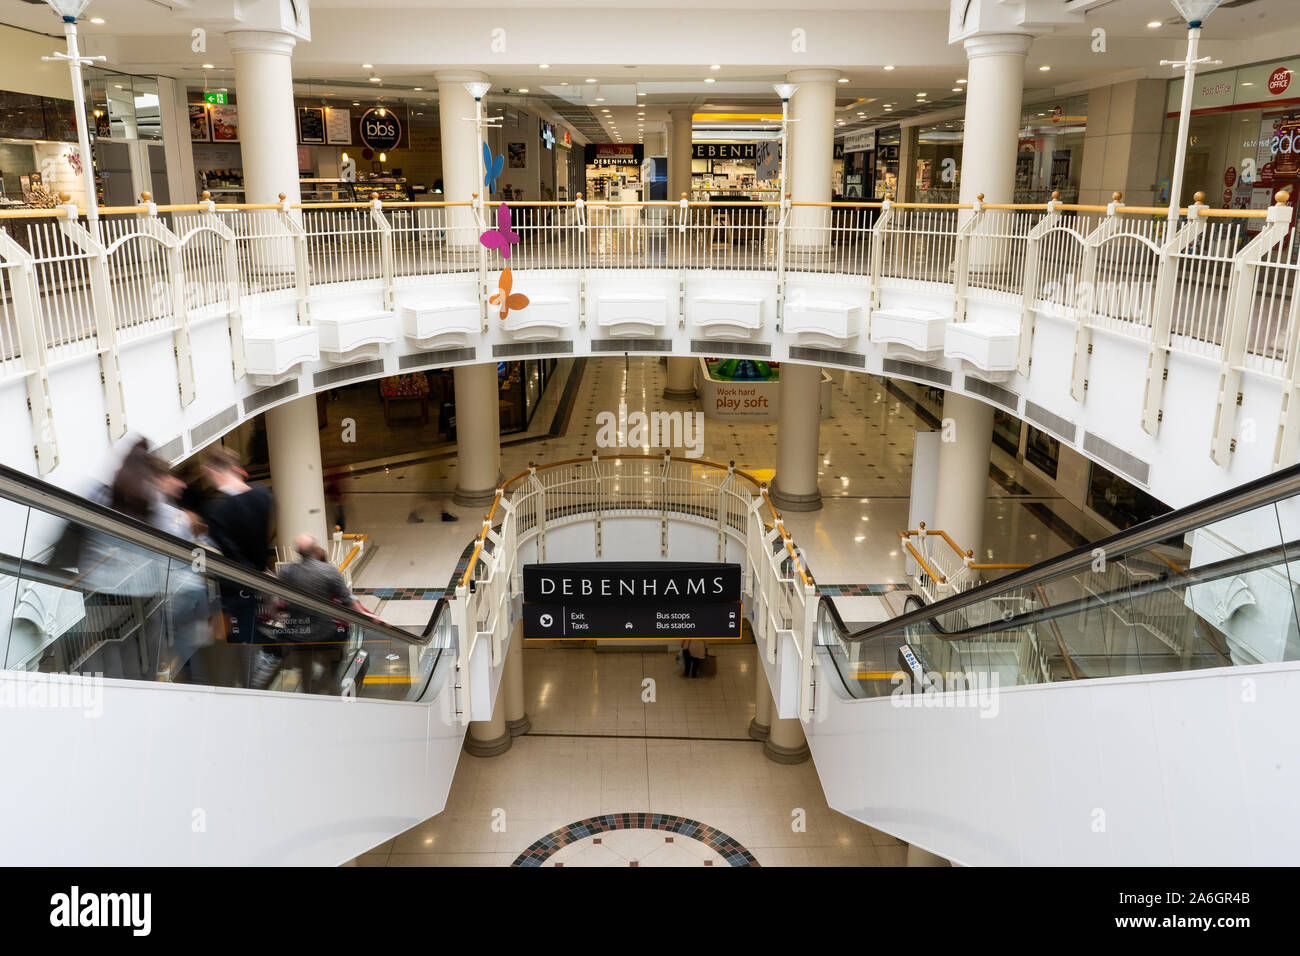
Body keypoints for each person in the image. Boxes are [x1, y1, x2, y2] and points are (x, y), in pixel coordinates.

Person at [202, 448, 274, 684]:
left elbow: (230, 554)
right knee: (250, 621)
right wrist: (260, 576)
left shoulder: (217, 510)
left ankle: (251, 675)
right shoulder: (263, 494)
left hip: (235, 585)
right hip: (259, 576)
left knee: (241, 627)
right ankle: (259, 662)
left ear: (212, 471)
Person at [276, 533, 381, 695]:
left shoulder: (287, 571)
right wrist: (367, 616)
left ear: (298, 551)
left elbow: (276, 596)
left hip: (298, 635)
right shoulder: (328, 571)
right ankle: (329, 694)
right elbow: (348, 600)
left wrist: (276, 613)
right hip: (325, 635)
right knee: (332, 673)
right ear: (314, 549)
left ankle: (309, 695)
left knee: (305, 674)